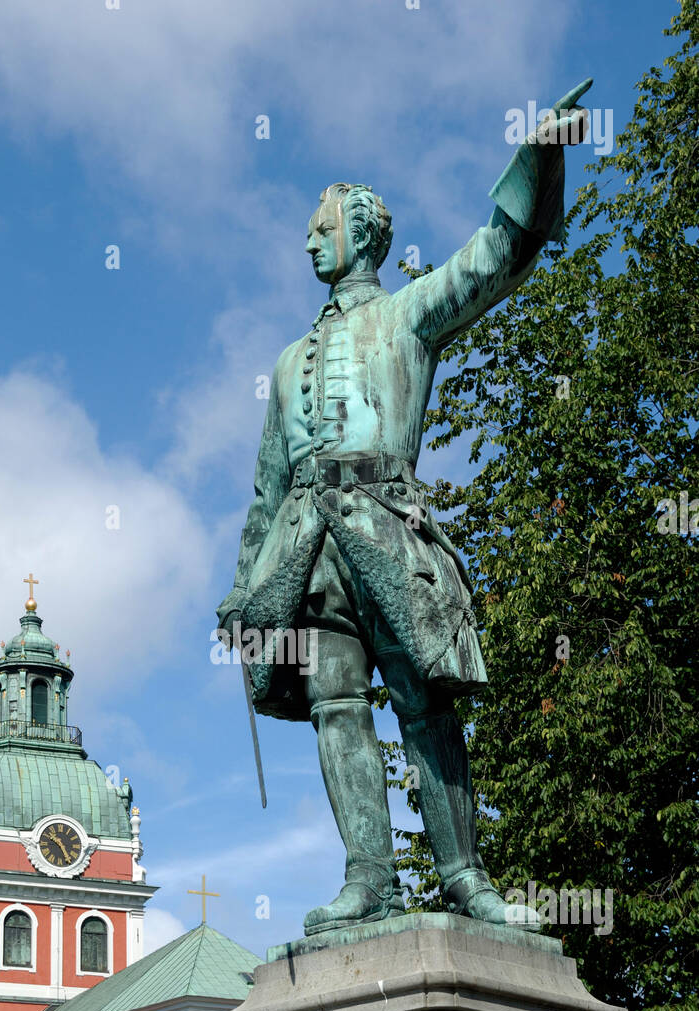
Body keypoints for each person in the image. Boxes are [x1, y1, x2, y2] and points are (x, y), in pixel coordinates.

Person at [218, 84, 592, 934]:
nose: (310, 237)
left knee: (426, 701)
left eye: (324, 224)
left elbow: (497, 253)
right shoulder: (284, 364)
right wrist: (246, 588)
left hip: (385, 526)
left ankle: (464, 876)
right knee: (335, 706)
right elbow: (265, 485)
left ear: (365, 234)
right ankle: (369, 879)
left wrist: (539, 157)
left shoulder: (407, 313)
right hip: (305, 551)